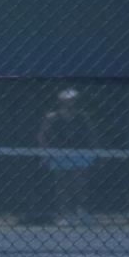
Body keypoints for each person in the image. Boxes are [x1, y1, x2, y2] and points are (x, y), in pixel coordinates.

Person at [37, 88, 101, 226]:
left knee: (81, 184)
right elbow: (42, 136)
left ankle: (82, 212)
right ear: (61, 102)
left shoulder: (83, 116)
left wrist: (95, 152)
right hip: (59, 154)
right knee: (62, 185)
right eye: (67, 101)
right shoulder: (52, 117)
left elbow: (92, 135)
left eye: (72, 101)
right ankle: (65, 214)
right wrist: (45, 154)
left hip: (80, 154)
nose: (70, 103)